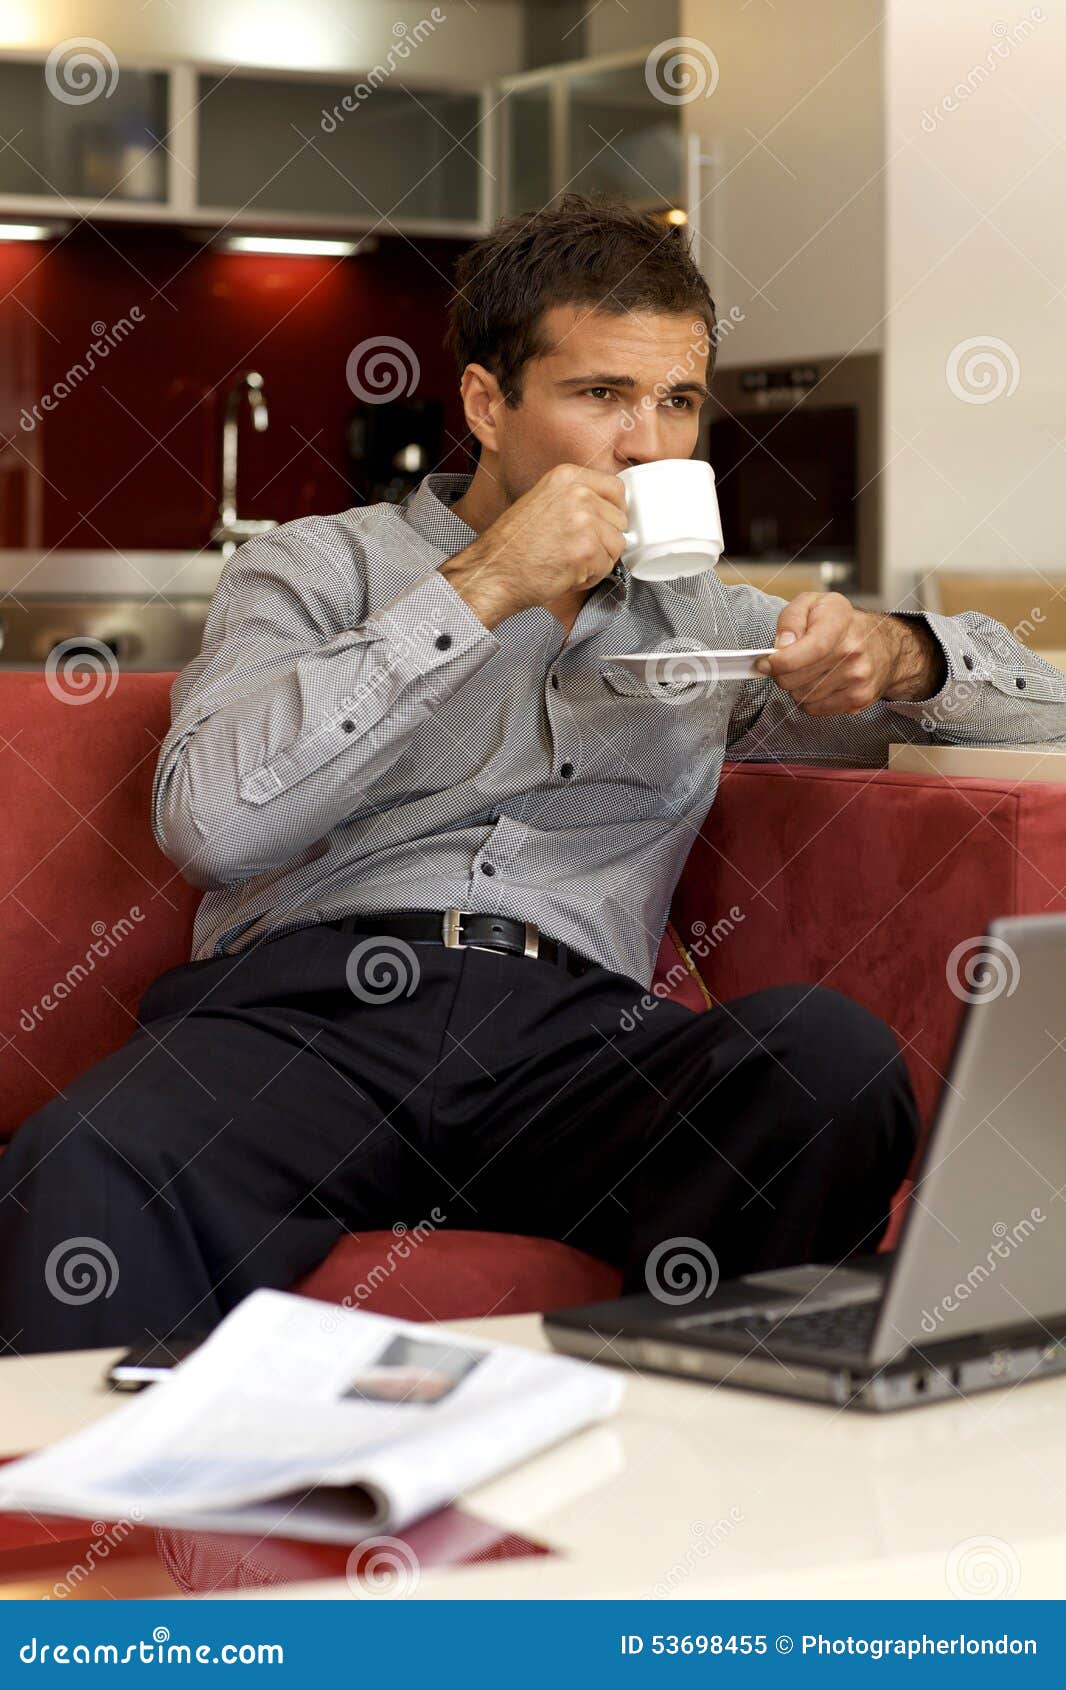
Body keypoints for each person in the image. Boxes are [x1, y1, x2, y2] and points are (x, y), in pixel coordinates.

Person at [3, 193, 1066, 1355]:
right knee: (91, 1158)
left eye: (675, 402)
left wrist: (900, 654)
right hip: (306, 1022)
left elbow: (1047, 709)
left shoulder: (704, 619)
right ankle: (103, 1533)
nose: (648, 444)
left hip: (578, 1047)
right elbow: (211, 823)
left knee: (822, 1060)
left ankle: (715, 1471)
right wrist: (483, 585)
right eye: (600, 395)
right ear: (484, 404)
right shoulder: (313, 568)